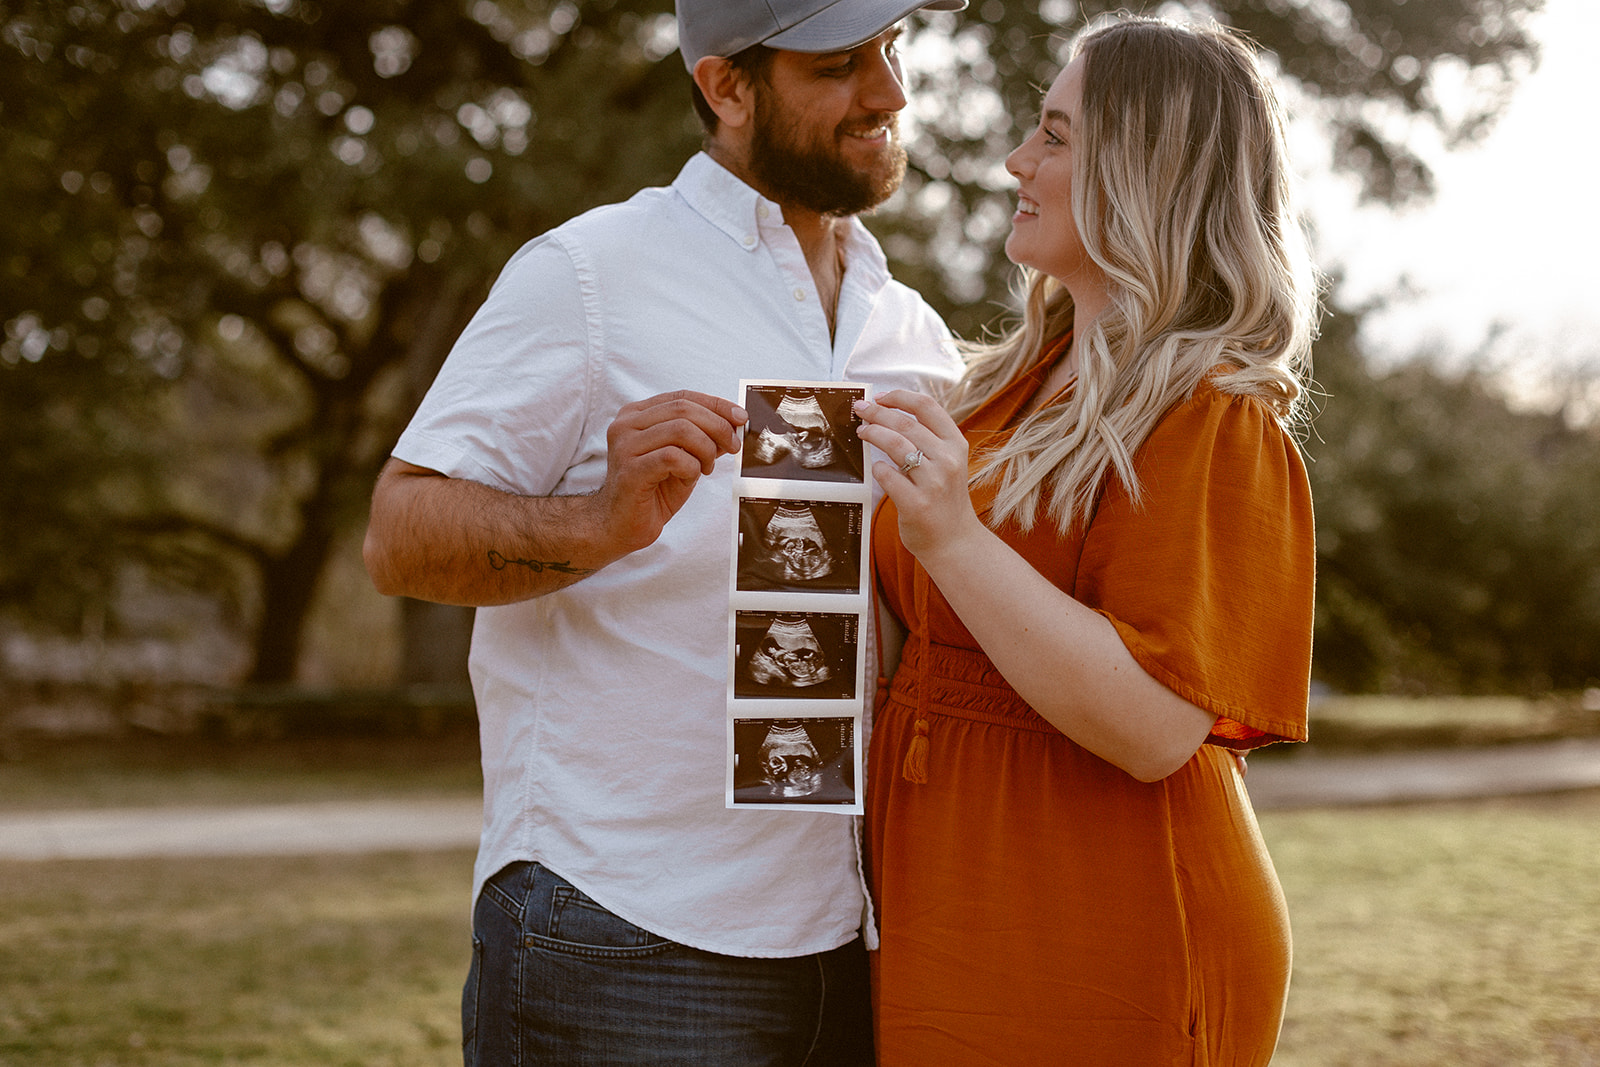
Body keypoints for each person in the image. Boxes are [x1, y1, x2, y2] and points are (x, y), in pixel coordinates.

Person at [361, 0, 966, 1063]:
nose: (890, 94)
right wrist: (597, 522)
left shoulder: (909, 331)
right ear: (727, 87)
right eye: (837, 65)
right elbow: (399, 533)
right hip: (617, 932)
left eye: (892, 51)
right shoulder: (589, 274)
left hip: (853, 936)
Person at [852, 15, 1319, 1065]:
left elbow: (1156, 725)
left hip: (1106, 908)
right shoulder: (1000, 389)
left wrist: (952, 539)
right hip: (949, 888)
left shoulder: (1214, 415)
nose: (1017, 160)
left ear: (1142, 170)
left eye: (1055, 137)